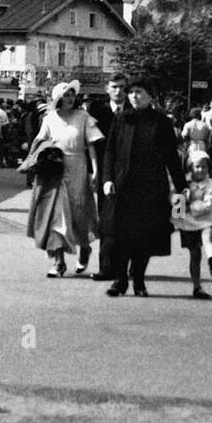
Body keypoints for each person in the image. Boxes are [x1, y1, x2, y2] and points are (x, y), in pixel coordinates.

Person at [101, 82, 186, 297]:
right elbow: (110, 151)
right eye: (131, 92)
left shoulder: (161, 122)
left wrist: (181, 186)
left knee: (144, 237)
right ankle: (120, 281)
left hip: (150, 187)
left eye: (139, 92)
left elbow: (171, 156)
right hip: (122, 186)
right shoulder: (121, 118)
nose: (134, 96)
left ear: (150, 95)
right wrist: (107, 179)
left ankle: (138, 280)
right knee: (119, 235)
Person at [24, 81, 103, 276]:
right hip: (55, 170)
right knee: (56, 215)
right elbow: (40, 140)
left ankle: (85, 248)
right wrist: (42, 152)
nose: (69, 98)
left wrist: (96, 171)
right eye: (65, 95)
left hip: (78, 167)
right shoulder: (50, 118)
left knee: (79, 213)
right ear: (57, 98)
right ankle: (59, 261)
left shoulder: (83, 117)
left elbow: (92, 145)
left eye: (71, 95)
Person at [89, 76, 130, 281]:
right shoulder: (97, 112)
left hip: (129, 174)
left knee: (128, 222)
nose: (118, 91)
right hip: (106, 173)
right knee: (106, 221)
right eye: (114, 87)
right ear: (107, 88)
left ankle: (124, 266)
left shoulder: (134, 111)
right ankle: (105, 267)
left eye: (122, 87)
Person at [174, 150, 212, 299]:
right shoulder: (183, 183)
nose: (201, 170)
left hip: (207, 220)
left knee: (208, 237)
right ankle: (197, 286)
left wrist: (190, 207)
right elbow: (177, 209)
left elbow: (208, 205)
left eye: (204, 167)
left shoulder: (210, 185)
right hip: (188, 224)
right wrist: (181, 200)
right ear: (190, 168)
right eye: (197, 166)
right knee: (195, 254)